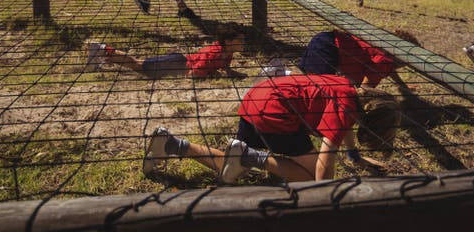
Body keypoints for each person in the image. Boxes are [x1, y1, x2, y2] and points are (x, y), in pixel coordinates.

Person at [142, 74, 400, 183]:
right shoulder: (347, 110)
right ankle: (249, 157)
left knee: (230, 163)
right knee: (309, 178)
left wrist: (354, 156)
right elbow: (324, 161)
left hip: (258, 97)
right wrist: (326, 198)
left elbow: (344, 130)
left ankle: (171, 144)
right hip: (275, 113)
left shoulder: (347, 87)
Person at [85, 24, 246, 78]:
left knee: (140, 67)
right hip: (176, 64)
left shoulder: (227, 52)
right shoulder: (213, 54)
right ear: (229, 41)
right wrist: (212, 75)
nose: (243, 42)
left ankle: (102, 55)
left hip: (177, 63)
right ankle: (103, 50)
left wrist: (233, 73)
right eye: (240, 40)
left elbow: (224, 67)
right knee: (139, 65)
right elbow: (194, 74)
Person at [298, 29, 407, 88]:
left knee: (309, 83)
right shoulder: (385, 62)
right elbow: (365, 88)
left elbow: (389, 70)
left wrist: (403, 86)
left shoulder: (381, 49)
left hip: (325, 39)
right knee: (318, 89)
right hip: (329, 49)